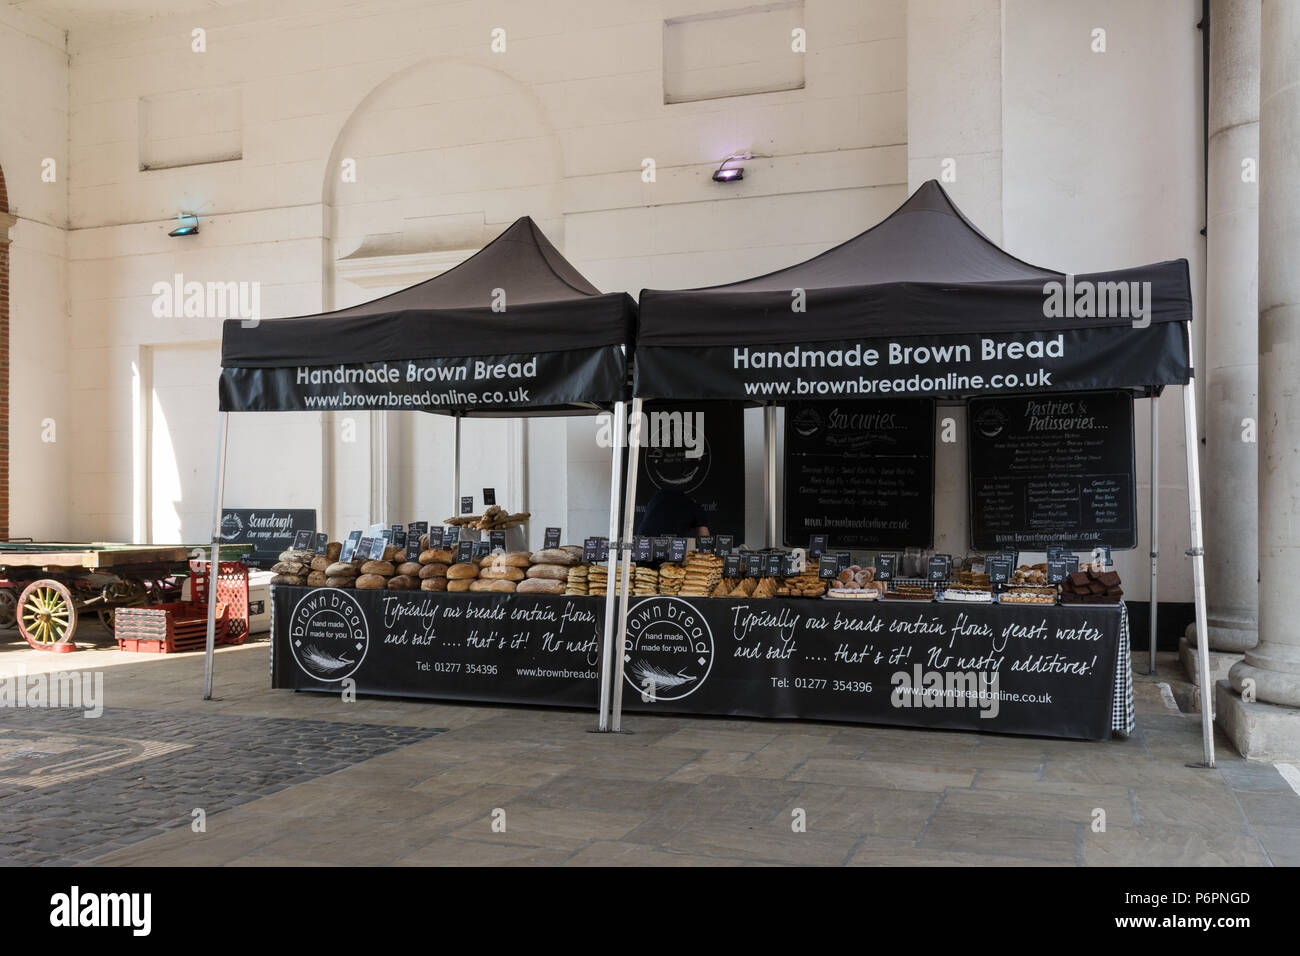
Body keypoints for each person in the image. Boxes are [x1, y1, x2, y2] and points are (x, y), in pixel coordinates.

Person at [637, 488, 710, 538]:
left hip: (642, 544)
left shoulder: (657, 498)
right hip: (667, 548)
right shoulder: (695, 507)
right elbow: (705, 541)